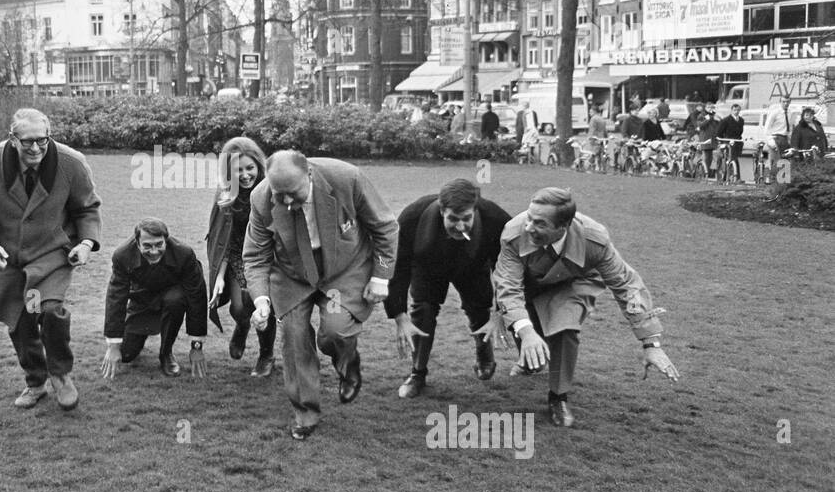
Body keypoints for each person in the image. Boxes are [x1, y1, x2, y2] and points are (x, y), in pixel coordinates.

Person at [494, 187, 680, 428]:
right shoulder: (513, 233)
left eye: (540, 223)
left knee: (564, 328)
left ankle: (558, 397)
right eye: (529, 218)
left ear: (564, 226)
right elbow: (508, 287)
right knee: (528, 330)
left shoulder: (594, 239)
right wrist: (526, 332)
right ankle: (531, 359)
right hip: (529, 285)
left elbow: (626, 285)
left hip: (575, 281)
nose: (529, 227)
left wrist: (651, 343)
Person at [244, 151, 398, 440]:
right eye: (280, 195)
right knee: (293, 336)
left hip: (342, 270)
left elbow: (386, 227)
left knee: (335, 332)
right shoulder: (261, 198)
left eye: (293, 193)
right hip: (292, 276)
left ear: (310, 175)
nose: (287, 202)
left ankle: (348, 364)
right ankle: (305, 412)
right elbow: (255, 255)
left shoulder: (347, 179)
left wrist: (381, 276)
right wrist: (261, 301)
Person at [0, 109, 101, 411]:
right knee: (20, 321)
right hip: (9, 257)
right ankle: (35, 381)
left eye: (42, 140)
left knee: (50, 311)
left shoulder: (71, 163)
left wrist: (87, 243)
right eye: (27, 142)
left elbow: (87, 209)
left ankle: (61, 374)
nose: (36, 148)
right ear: (12, 138)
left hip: (53, 254)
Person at [386, 179, 512, 399]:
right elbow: (397, 269)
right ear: (441, 210)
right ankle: (418, 373)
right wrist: (399, 315)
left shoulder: (496, 219)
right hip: (428, 266)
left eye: (466, 219)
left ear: (475, 210)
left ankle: (484, 356)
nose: (460, 226)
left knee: (479, 310)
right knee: (422, 312)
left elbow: (507, 271)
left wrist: (501, 311)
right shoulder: (411, 218)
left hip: (473, 266)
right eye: (453, 219)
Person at [100, 218, 208, 380]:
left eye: (159, 244)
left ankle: (166, 353)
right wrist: (113, 345)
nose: (154, 251)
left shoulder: (184, 254)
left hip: (172, 299)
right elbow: (116, 298)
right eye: (147, 246)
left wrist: (197, 346)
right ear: (137, 243)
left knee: (176, 299)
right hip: (141, 300)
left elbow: (197, 298)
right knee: (126, 355)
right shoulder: (122, 256)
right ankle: (140, 333)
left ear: (166, 241)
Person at [205, 137, 277, 378]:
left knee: (261, 303)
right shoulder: (226, 195)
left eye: (250, 168)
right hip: (238, 256)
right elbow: (223, 239)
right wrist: (220, 277)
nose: (246, 175)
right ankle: (242, 325)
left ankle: (266, 355)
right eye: (239, 170)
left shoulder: (271, 190)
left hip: (267, 257)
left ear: (259, 167)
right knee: (238, 307)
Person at [760, 98, 792, 183]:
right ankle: (769, 179)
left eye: (787, 102)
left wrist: (789, 138)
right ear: (780, 102)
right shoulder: (775, 113)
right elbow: (767, 127)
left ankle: (783, 181)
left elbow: (789, 127)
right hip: (775, 138)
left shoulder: (789, 113)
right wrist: (770, 141)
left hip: (784, 138)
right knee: (773, 160)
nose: (786, 104)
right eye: (783, 102)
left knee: (784, 160)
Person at [717, 103, 745, 180]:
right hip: (727, 141)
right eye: (734, 110)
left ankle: (735, 176)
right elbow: (719, 132)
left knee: (734, 158)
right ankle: (728, 176)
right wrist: (722, 141)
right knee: (729, 158)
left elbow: (740, 132)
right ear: (731, 110)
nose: (736, 111)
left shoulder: (741, 120)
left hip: (737, 142)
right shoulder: (725, 120)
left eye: (738, 110)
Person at [695, 103, 721, 177]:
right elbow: (700, 126)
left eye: (712, 107)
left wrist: (718, 120)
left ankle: (713, 172)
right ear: (705, 108)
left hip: (714, 138)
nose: (711, 109)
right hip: (706, 138)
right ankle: (707, 173)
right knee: (707, 156)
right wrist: (708, 120)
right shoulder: (701, 115)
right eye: (709, 107)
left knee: (716, 156)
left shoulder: (715, 115)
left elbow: (720, 125)